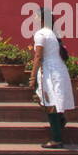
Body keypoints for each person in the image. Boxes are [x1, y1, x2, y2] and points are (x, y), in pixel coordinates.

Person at [30, 18, 75, 148]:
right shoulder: (53, 34)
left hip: (49, 72)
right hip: (59, 69)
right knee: (53, 100)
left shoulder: (41, 34)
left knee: (49, 102)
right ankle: (59, 121)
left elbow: (38, 56)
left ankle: (56, 138)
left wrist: (32, 77)